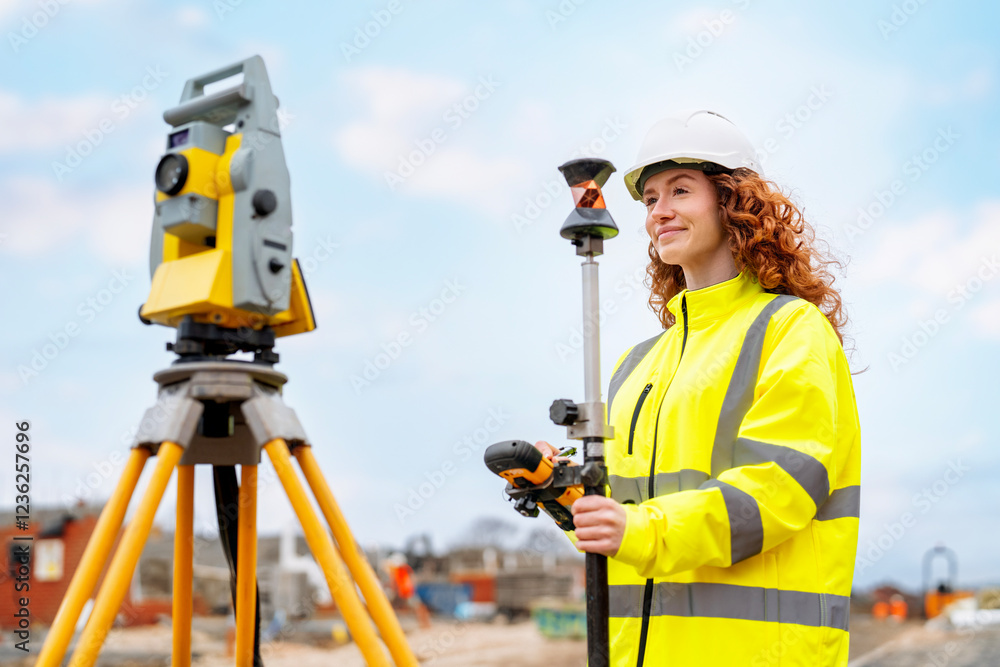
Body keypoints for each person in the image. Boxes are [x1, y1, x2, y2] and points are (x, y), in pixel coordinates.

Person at [536, 110, 861, 666]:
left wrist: (638, 531)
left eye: (680, 191)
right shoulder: (636, 365)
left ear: (734, 202)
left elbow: (778, 491)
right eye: (650, 199)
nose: (659, 211)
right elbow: (622, 527)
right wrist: (562, 497)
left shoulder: (791, 331)